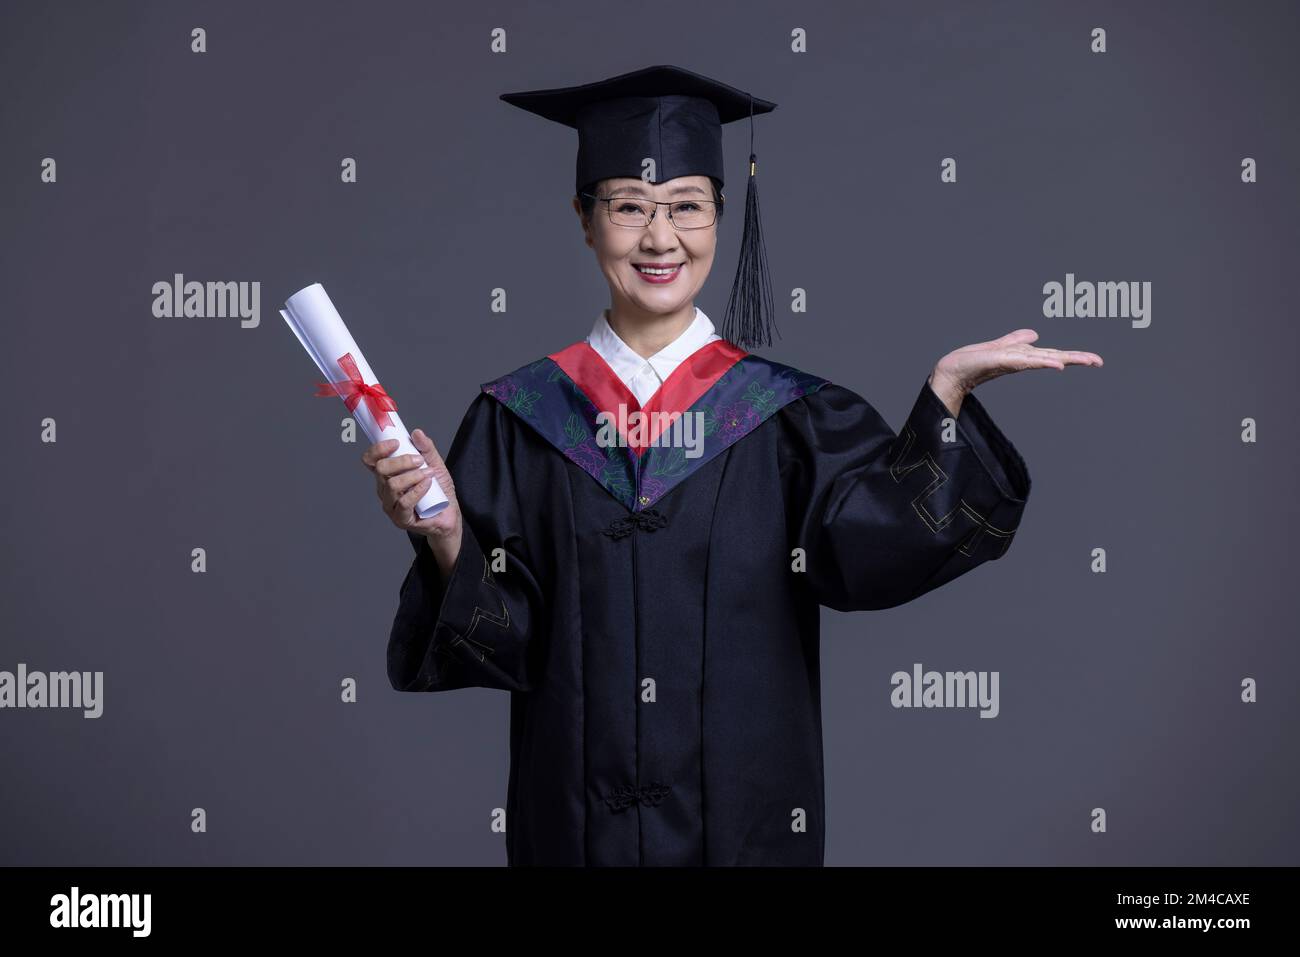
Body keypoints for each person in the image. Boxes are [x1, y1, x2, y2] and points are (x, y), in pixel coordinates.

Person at [362, 65, 1102, 866]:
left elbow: (877, 554)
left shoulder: (784, 417)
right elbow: (505, 642)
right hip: (572, 829)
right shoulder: (519, 420)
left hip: (749, 830)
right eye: (629, 207)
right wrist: (442, 536)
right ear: (584, 219)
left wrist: (944, 396)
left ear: (720, 215)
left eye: (687, 205)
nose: (659, 236)